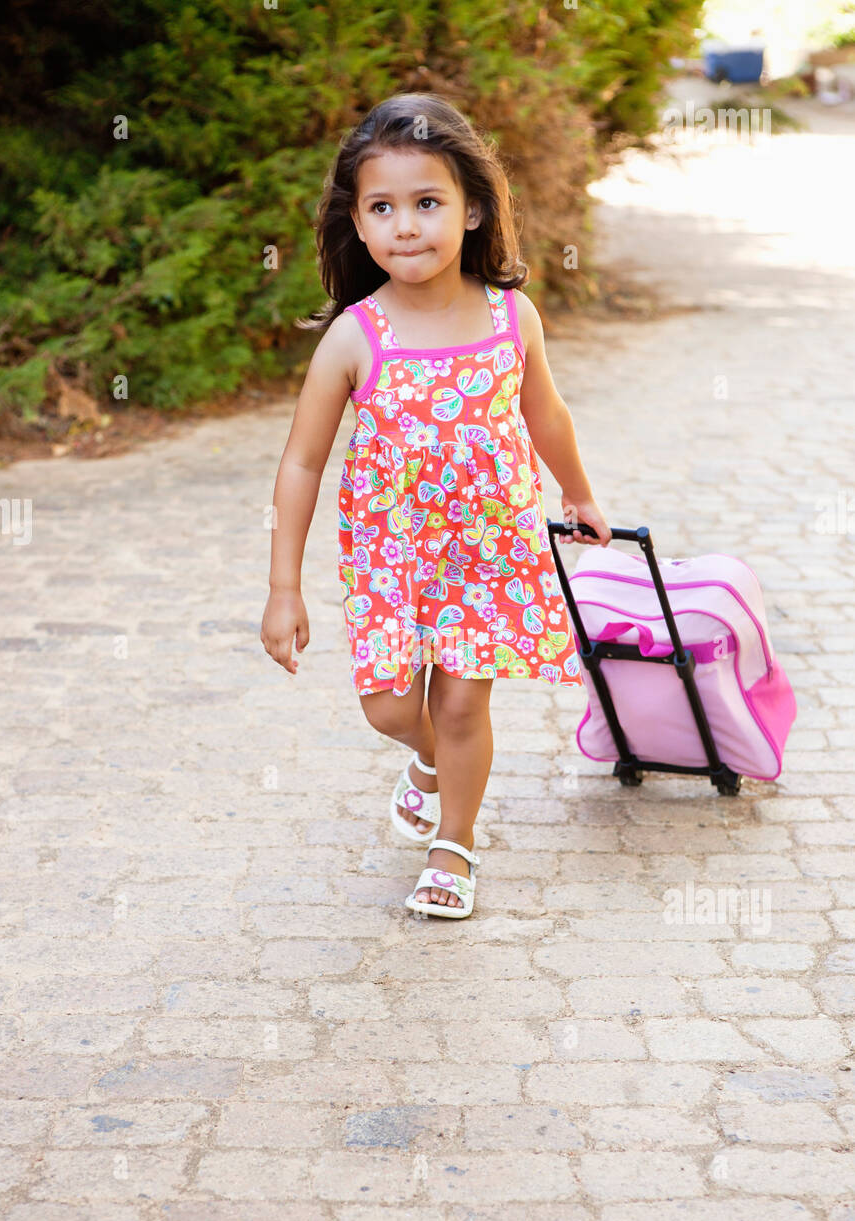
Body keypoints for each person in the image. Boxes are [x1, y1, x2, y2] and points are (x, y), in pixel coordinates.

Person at [261, 92, 611, 921]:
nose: (406, 225)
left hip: (487, 551)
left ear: (474, 210)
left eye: (428, 203)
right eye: (383, 208)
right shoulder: (356, 336)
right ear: (358, 221)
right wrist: (284, 586)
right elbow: (303, 463)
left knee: (462, 701)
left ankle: (454, 844)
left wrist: (580, 490)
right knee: (391, 707)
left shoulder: (507, 317)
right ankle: (427, 761)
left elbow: (545, 414)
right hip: (391, 558)